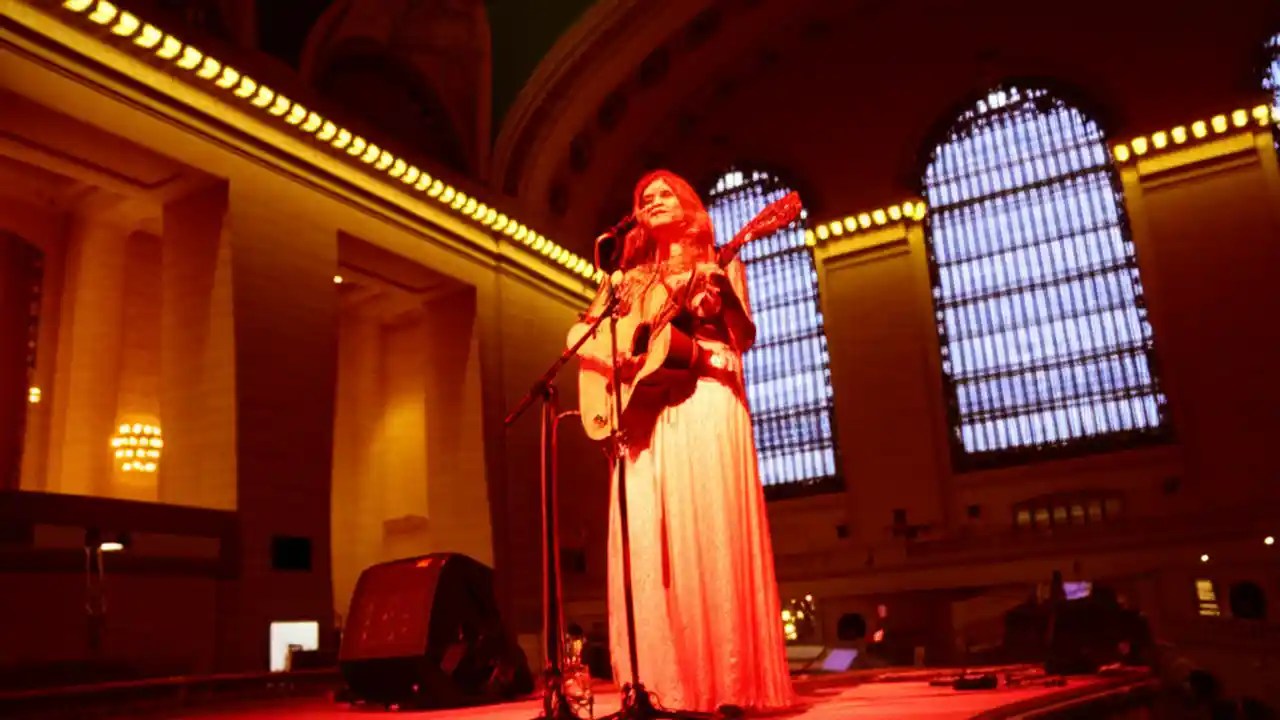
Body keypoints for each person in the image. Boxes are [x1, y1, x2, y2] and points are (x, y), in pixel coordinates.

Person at [571, 170, 796, 714]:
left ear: (690, 206)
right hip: (644, 410)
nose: (651, 201)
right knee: (650, 539)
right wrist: (618, 360)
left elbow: (743, 336)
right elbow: (579, 336)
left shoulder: (721, 262)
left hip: (704, 398)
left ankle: (725, 686)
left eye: (663, 193)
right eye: (643, 197)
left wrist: (719, 301)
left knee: (706, 527)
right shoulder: (624, 278)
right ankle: (658, 685)